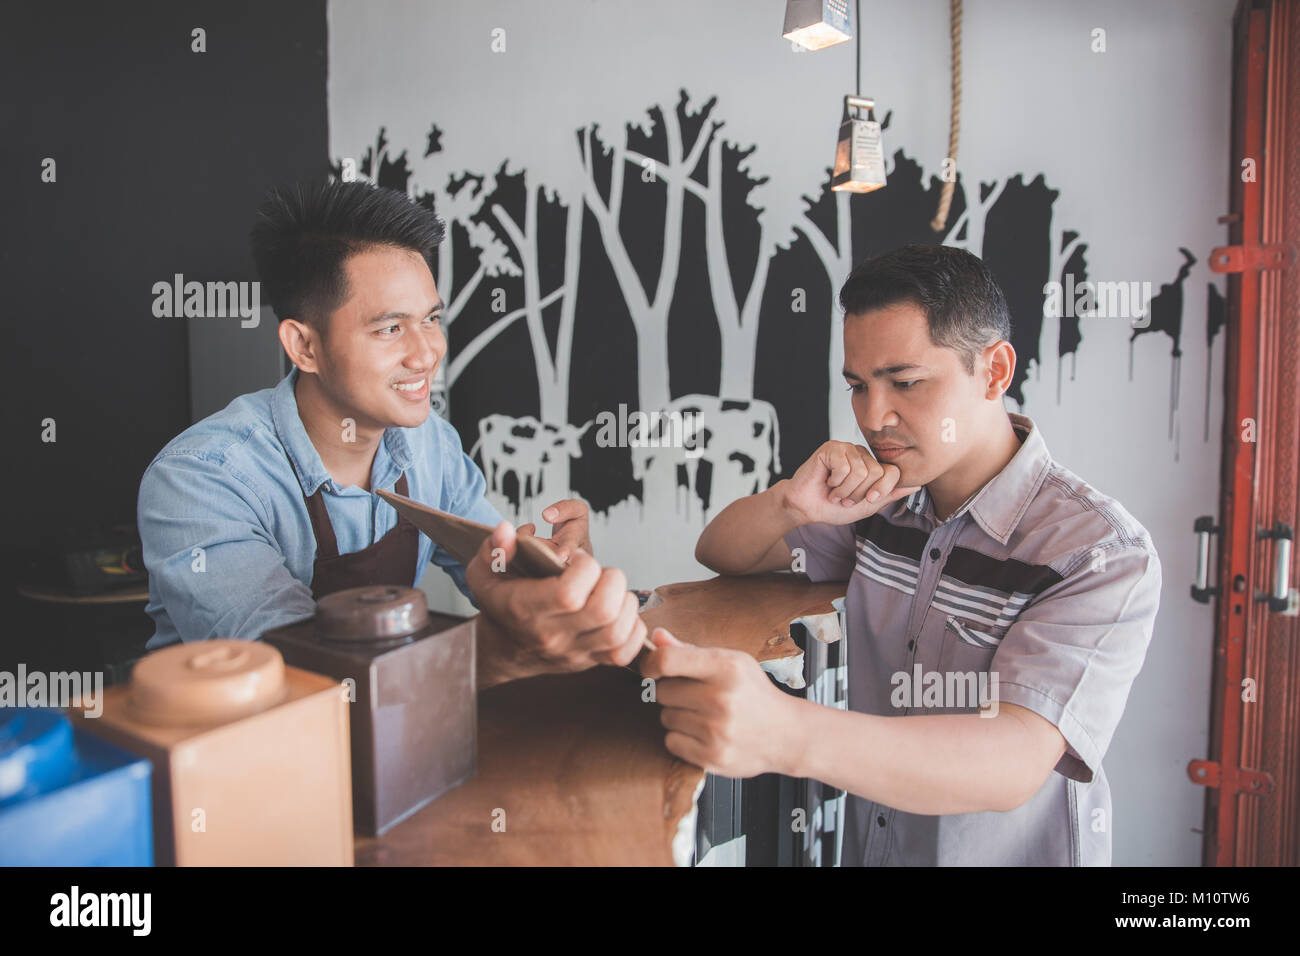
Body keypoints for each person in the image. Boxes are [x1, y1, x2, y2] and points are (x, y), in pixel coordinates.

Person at [642, 244, 1162, 865]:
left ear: (994, 371)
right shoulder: (880, 505)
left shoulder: (1096, 551)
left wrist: (781, 732)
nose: (872, 415)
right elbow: (721, 552)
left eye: (906, 382)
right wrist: (793, 504)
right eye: (858, 386)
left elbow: (1015, 759)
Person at [138, 181, 646, 688]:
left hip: (396, 732)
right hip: (240, 749)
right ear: (304, 347)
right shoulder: (199, 480)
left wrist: (554, 580)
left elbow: (493, 566)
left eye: (430, 318)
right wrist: (494, 656)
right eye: (389, 328)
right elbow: (296, 677)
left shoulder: (431, 446)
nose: (426, 354)